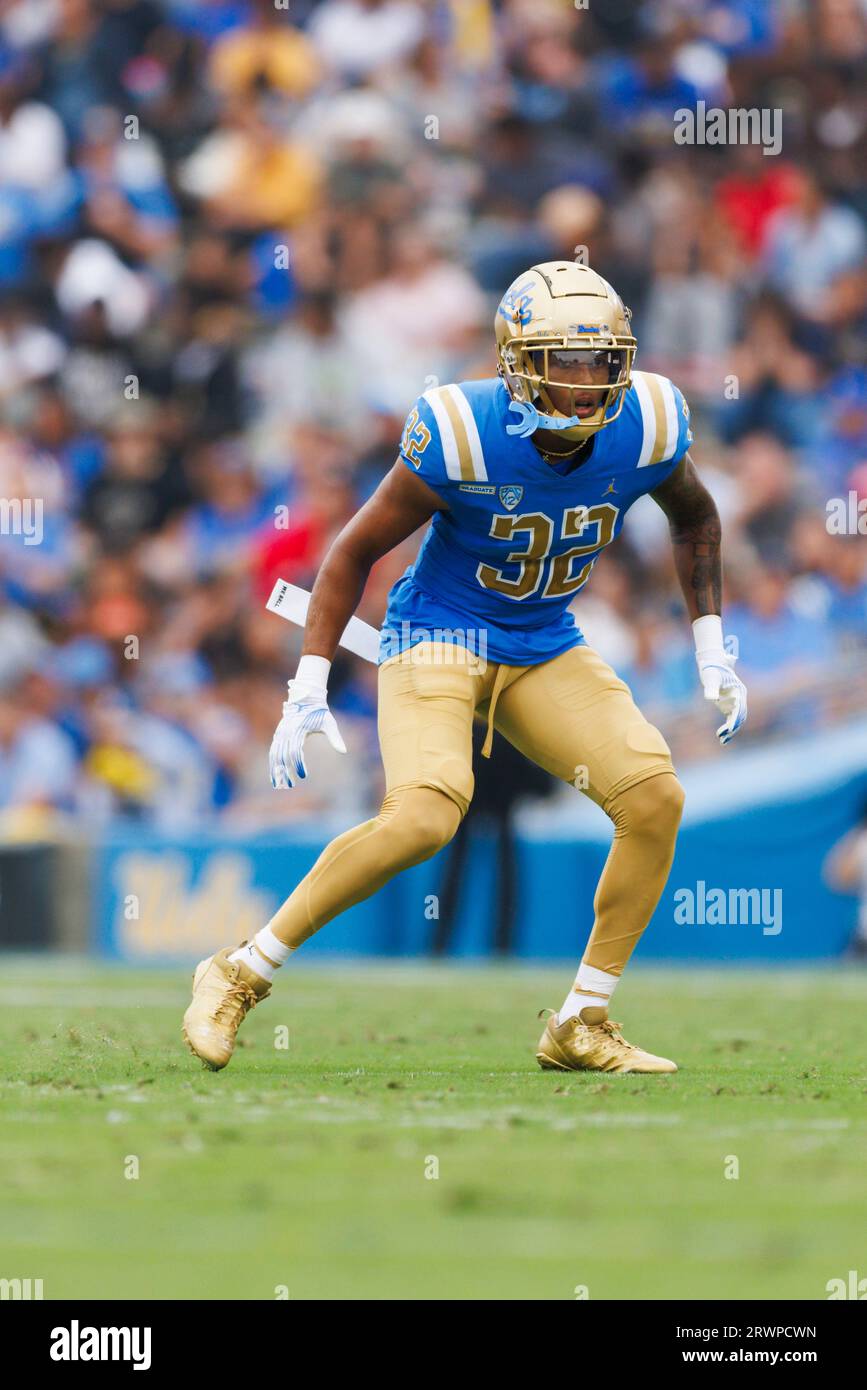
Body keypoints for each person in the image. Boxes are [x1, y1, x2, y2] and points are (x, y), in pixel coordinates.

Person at [183, 261, 748, 1075]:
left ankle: (581, 1020)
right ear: (519, 361)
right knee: (424, 817)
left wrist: (709, 642)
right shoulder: (461, 427)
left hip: (543, 639)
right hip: (438, 634)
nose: (590, 383)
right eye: (567, 360)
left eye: (603, 360)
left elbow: (693, 515)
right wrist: (305, 686)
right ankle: (239, 971)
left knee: (654, 798)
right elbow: (353, 551)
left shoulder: (650, 419)